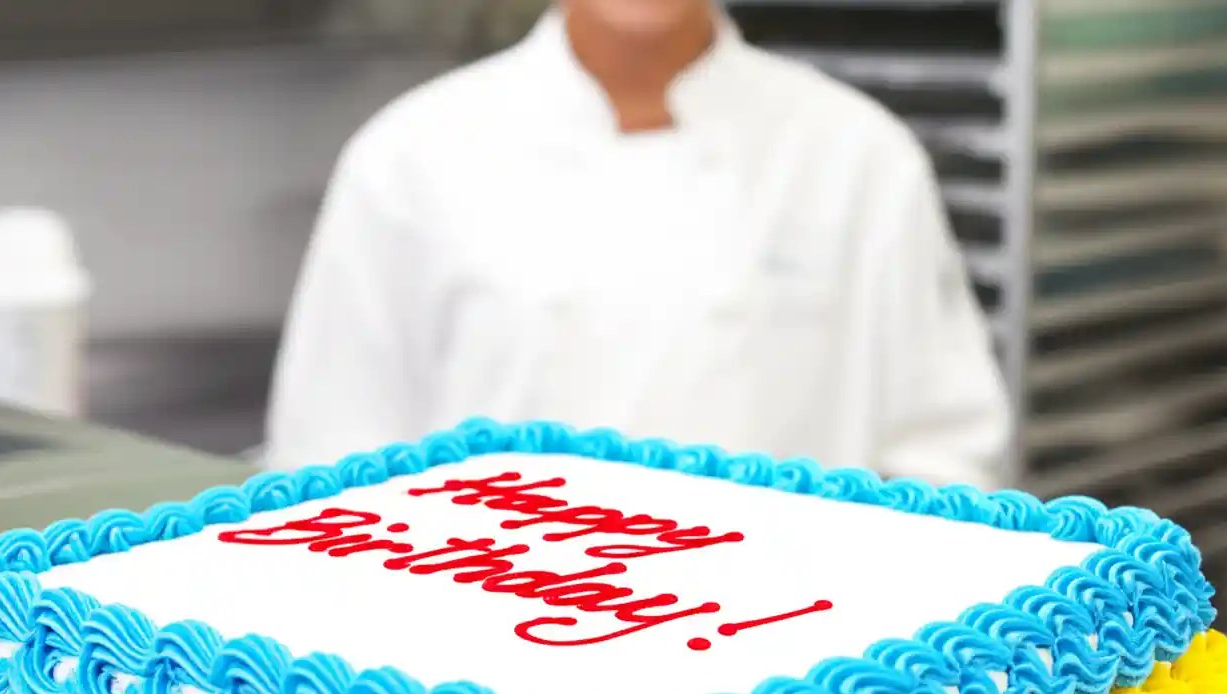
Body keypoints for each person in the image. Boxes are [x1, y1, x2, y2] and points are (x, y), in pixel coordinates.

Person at [266, 0, 1011, 488]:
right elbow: (329, 468)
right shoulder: (408, 158)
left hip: (793, 654)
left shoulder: (859, 158)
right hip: (477, 651)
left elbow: (946, 459)